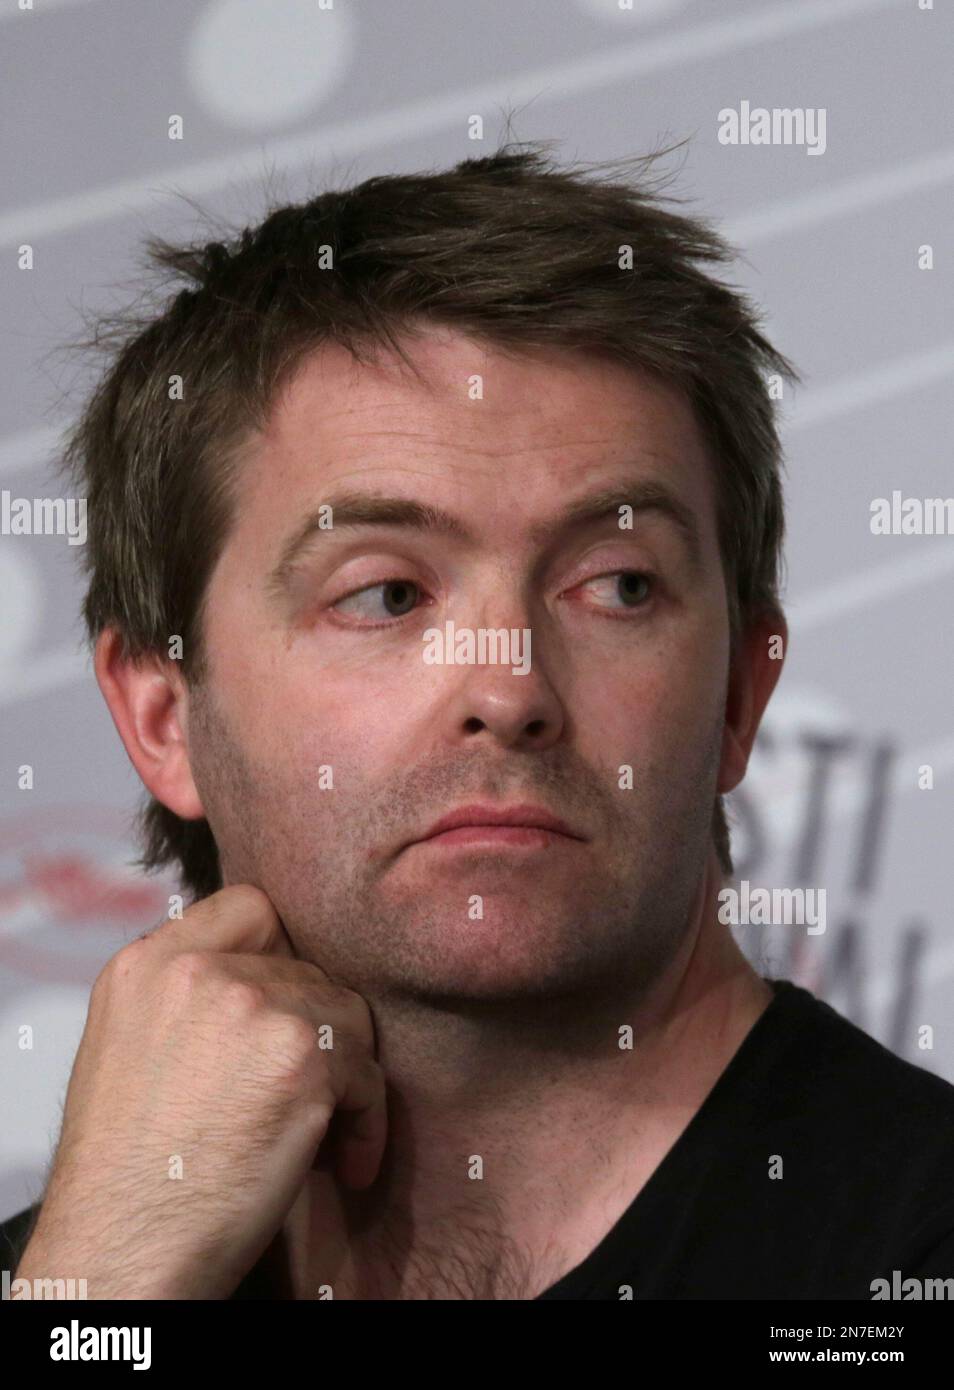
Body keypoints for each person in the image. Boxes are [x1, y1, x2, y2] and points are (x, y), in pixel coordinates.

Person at [4, 145, 954, 1301]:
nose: (508, 690)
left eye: (618, 585)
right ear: (163, 715)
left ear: (740, 697)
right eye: (388, 594)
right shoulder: (73, 1278)